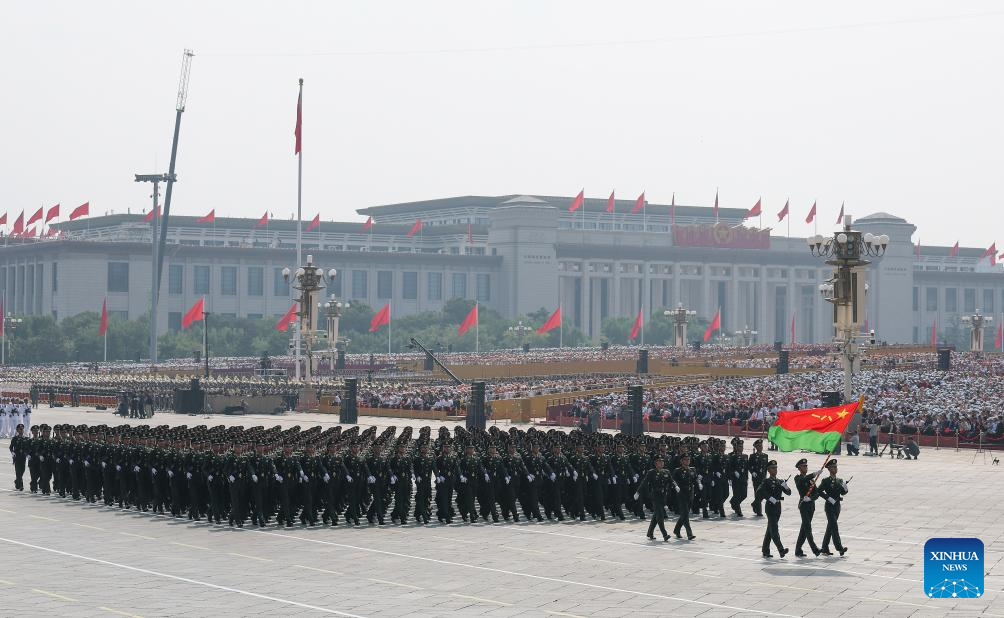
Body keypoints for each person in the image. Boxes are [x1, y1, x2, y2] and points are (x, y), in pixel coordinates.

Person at [755, 460, 790, 558]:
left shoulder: (780, 481)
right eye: (773, 468)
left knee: (770, 529)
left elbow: (789, 493)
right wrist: (769, 498)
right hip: (770, 507)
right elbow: (759, 492)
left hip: (778, 507)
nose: (775, 470)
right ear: (769, 470)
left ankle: (765, 550)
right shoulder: (766, 481)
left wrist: (785, 486)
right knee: (774, 529)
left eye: (776, 468)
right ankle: (781, 550)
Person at [816, 459, 848, 556]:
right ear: (829, 469)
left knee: (830, 527)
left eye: (836, 467)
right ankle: (839, 548)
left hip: (837, 506)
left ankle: (824, 548)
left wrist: (845, 489)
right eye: (833, 467)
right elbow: (819, 491)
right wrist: (828, 498)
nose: (835, 468)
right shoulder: (825, 481)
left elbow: (843, 492)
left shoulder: (840, 480)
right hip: (829, 506)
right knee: (834, 526)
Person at [637, 455, 671, 541]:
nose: (662, 463)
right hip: (655, 496)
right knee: (660, 516)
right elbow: (644, 482)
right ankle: (665, 534)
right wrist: (638, 492)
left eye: (662, 461)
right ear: (655, 463)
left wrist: (676, 486)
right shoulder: (651, 472)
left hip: (663, 496)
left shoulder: (666, 471)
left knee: (656, 515)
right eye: (659, 461)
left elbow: (671, 480)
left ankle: (650, 532)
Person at [793, 458, 821, 557]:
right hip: (803, 505)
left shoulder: (811, 480)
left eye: (806, 466)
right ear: (799, 468)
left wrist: (811, 498)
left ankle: (798, 550)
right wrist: (813, 474)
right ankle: (815, 549)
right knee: (808, 528)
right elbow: (802, 481)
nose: (805, 467)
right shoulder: (797, 478)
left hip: (811, 505)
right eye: (803, 466)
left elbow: (817, 493)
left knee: (804, 529)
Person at [671, 453, 696, 540]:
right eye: (685, 459)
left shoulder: (692, 469)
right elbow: (672, 480)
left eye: (688, 459)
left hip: (690, 493)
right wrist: (675, 486)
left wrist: (699, 484)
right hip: (681, 493)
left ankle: (676, 530)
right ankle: (689, 534)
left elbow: (694, 480)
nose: (687, 461)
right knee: (685, 514)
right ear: (681, 461)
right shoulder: (677, 470)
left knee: (685, 514)